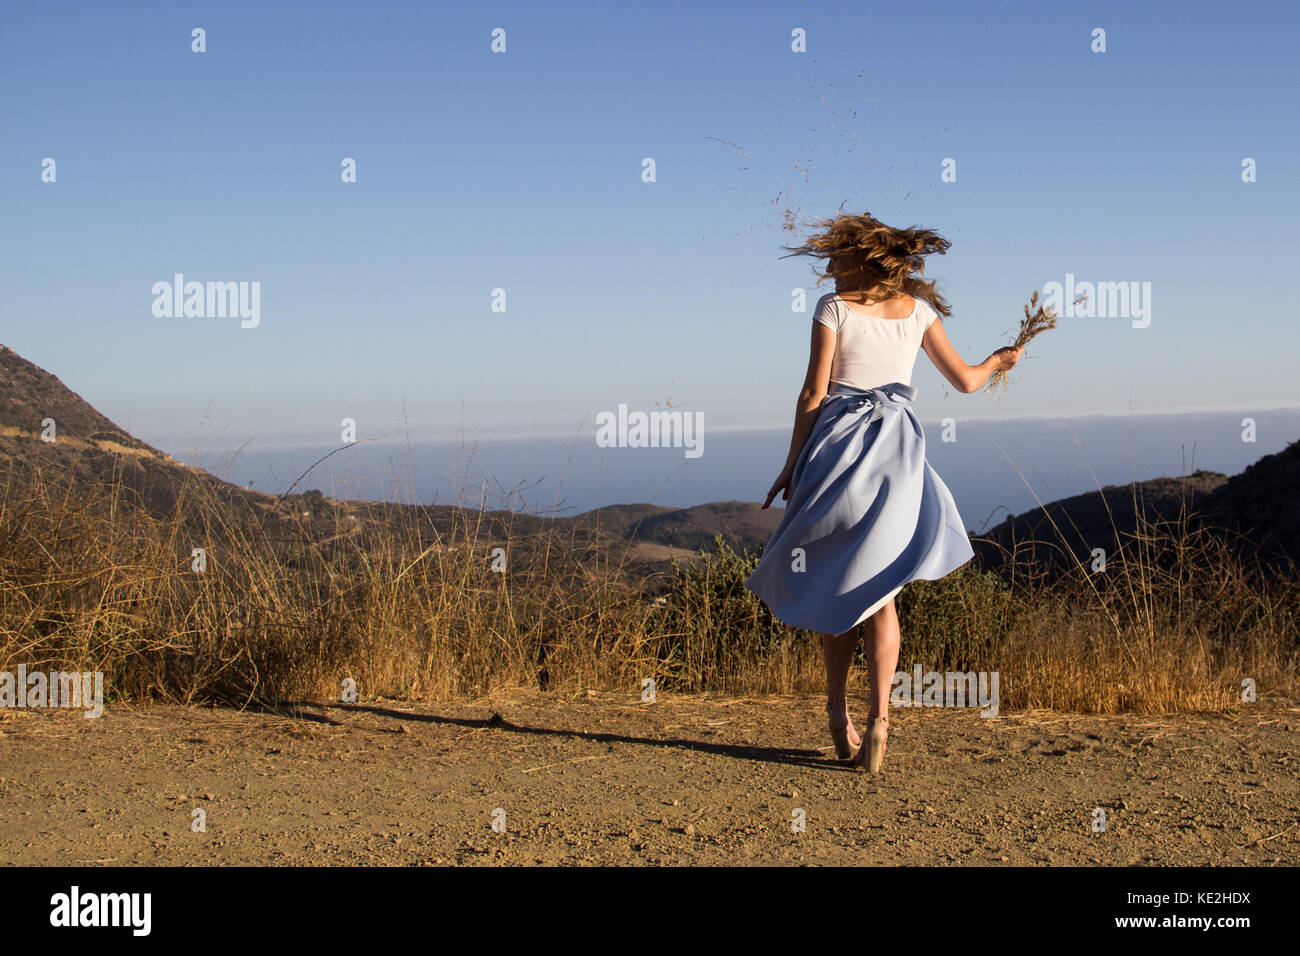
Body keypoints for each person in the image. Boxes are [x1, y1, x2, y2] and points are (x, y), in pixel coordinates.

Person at [744, 211, 1023, 773]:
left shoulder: (833, 309)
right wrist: (1001, 360)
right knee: (881, 589)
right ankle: (879, 723)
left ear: (859, 258)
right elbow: (967, 381)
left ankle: (834, 712)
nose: (826, 268)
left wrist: (791, 461)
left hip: (837, 452)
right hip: (897, 453)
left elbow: (811, 394)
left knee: (835, 585)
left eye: (834, 257)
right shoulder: (920, 312)